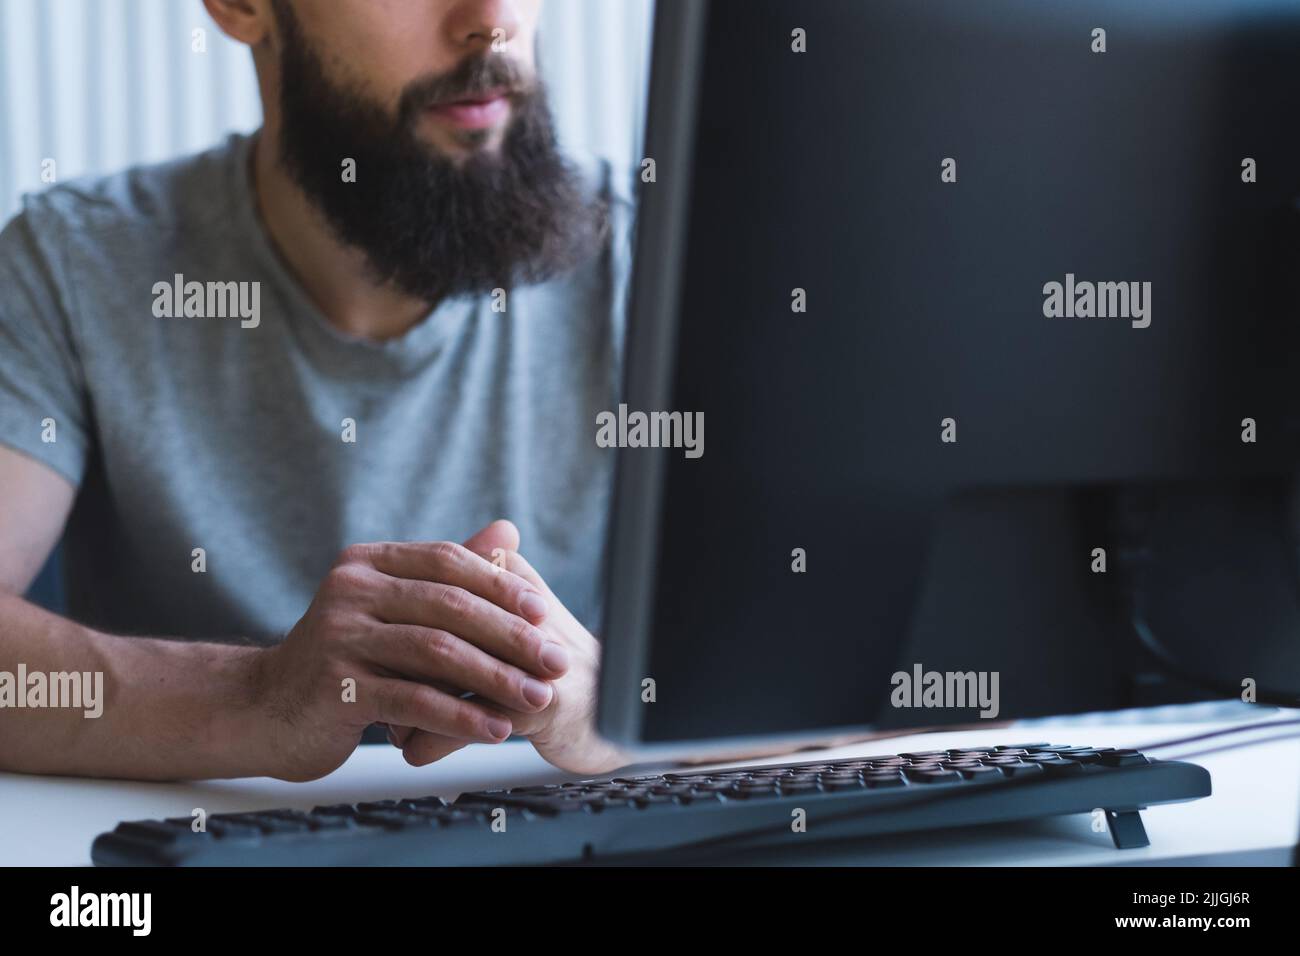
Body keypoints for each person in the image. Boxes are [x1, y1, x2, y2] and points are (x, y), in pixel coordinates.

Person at [0, 0, 633, 781]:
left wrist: (616, 709)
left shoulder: (660, 259)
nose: (494, 21)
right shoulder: (74, 264)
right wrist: (256, 698)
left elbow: (791, 650)